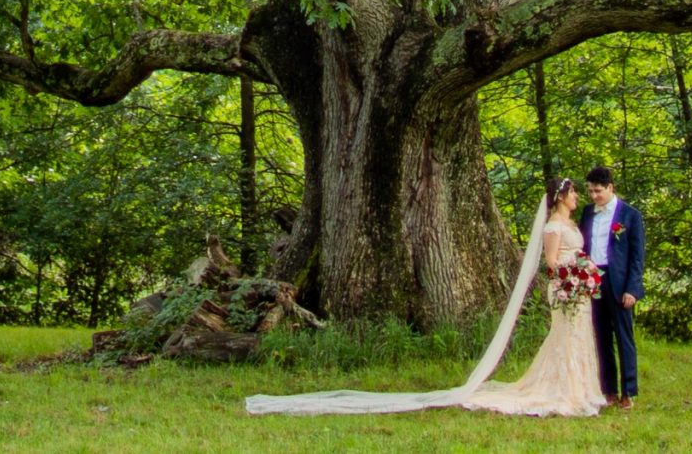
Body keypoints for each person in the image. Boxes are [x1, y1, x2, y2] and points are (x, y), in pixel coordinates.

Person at [243, 178, 602, 418]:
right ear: (560, 197)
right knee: (564, 339)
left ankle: (580, 389)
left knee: (577, 339)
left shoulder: (572, 224)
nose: (577, 197)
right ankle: (561, 391)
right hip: (566, 289)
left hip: (577, 290)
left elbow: (572, 258)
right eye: (573, 193)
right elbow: (553, 263)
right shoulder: (554, 227)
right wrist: (574, 275)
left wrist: (584, 272)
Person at [575, 164, 646, 409]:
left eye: (598, 191)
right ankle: (608, 390)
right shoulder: (587, 213)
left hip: (620, 284)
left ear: (610, 188)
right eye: (590, 192)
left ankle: (628, 391)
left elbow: (637, 257)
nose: (594, 196)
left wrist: (632, 289)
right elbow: (582, 248)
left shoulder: (630, 215)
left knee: (624, 338)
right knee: (601, 337)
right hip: (594, 282)